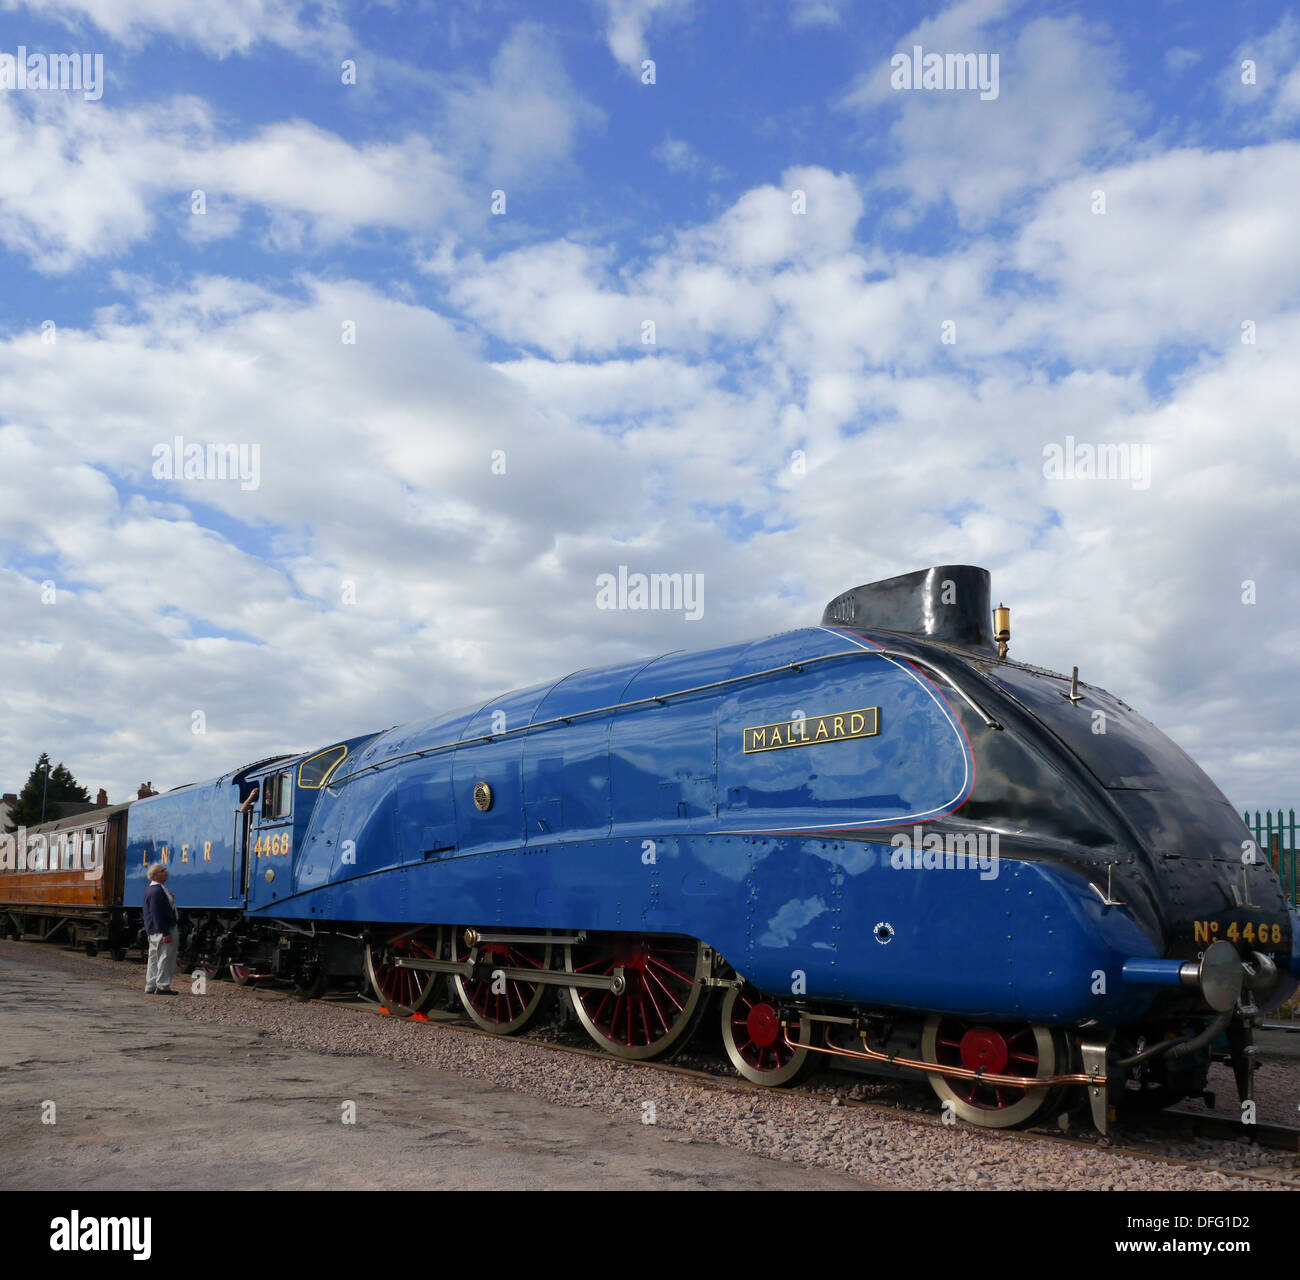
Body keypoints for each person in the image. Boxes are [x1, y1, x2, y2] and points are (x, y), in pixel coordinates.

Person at [143, 863, 178, 995]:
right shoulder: (157, 891)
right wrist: (165, 932)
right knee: (165, 957)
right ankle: (163, 986)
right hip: (163, 930)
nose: (166, 872)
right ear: (156, 875)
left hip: (153, 930)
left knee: (153, 958)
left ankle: (150, 985)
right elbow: (156, 913)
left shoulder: (154, 889)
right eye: (163, 870)